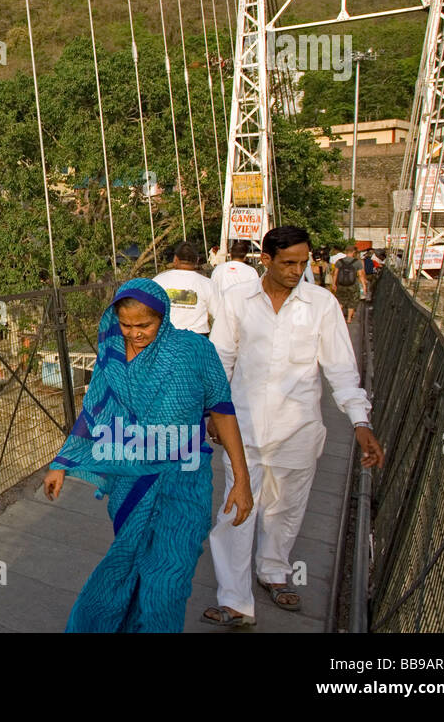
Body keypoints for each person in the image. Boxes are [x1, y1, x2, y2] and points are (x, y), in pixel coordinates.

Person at [43, 278, 252, 632]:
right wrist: (61, 464)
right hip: (132, 480)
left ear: (163, 317)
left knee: (168, 581)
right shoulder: (111, 358)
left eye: (145, 325)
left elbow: (222, 409)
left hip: (185, 481)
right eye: (126, 325)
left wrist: (242, 479)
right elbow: (93, 412)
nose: (135, 333)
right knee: (128, 563)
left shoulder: (194, 351)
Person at [203, 225, 384, 626]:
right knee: (237, 509)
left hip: (299, 428)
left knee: (285, 510)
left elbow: (340, 368)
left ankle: (273, 570)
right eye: (288, 263)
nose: (297, 270)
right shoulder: (238, 302)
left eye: (302, 263)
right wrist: (213, 413)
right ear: (265, 260)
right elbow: (219, 362)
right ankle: (234, 600)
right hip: (244, 429)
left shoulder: (320, 304)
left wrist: (359, 421)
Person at [153, 241, 216, 335]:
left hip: (166, 337)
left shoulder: (158, 281)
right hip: (197, 339)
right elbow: (218, 314)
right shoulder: (208, 284)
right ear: (197, 260)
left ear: (175, 259)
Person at [332, 243, 366, 324]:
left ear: (345, 252)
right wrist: (364, 286)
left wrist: (334, 284)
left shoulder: (339, 262)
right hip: (353, 284)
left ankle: (337, 317)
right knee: (352, 301)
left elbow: (335, 274)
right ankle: (349, 319)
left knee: (340, 300)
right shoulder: (357, 262)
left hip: (341, 284)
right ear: (353, 252)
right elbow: (361, 275)